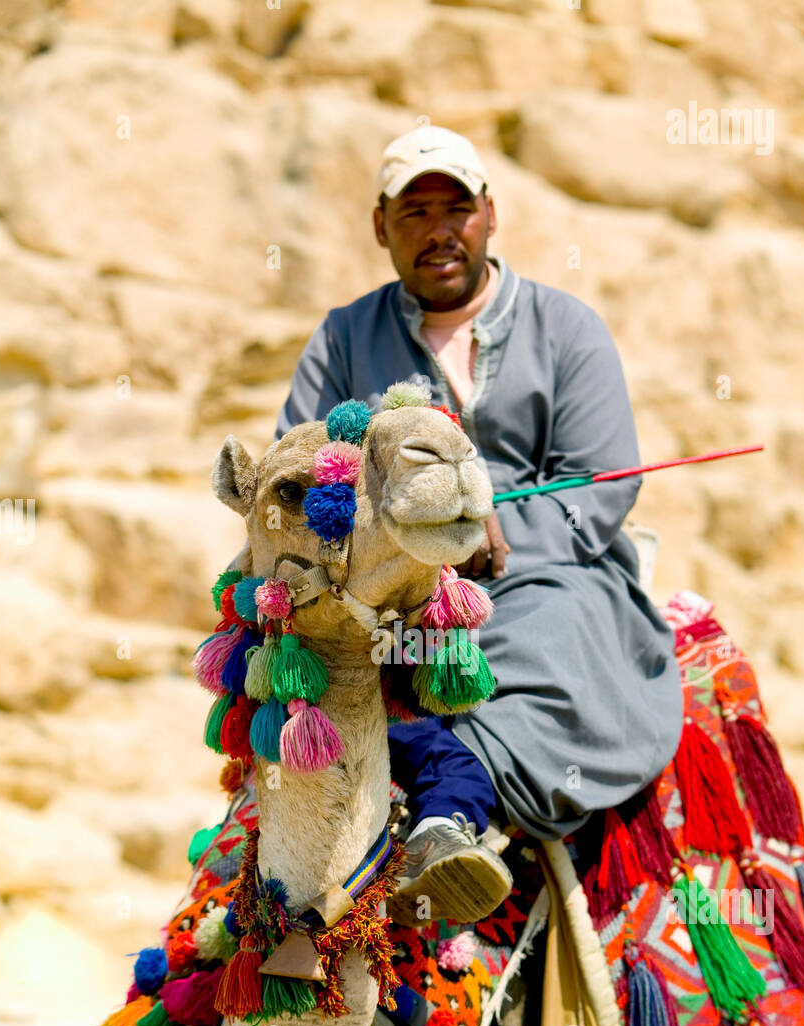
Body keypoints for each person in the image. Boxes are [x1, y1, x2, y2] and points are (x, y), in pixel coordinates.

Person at [275, 125, 683, 926]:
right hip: (386, 587)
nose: (438, 230)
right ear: (380, 227)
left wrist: (491, 533)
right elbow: (302, 475)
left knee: (557, 634)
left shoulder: (569, 329)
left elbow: (600, 488)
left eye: (455, 207)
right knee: (301, 670)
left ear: (490, 214)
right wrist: (405, 550)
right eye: (414, 211)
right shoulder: (342, 339)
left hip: (542, 576)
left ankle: (454, 806)